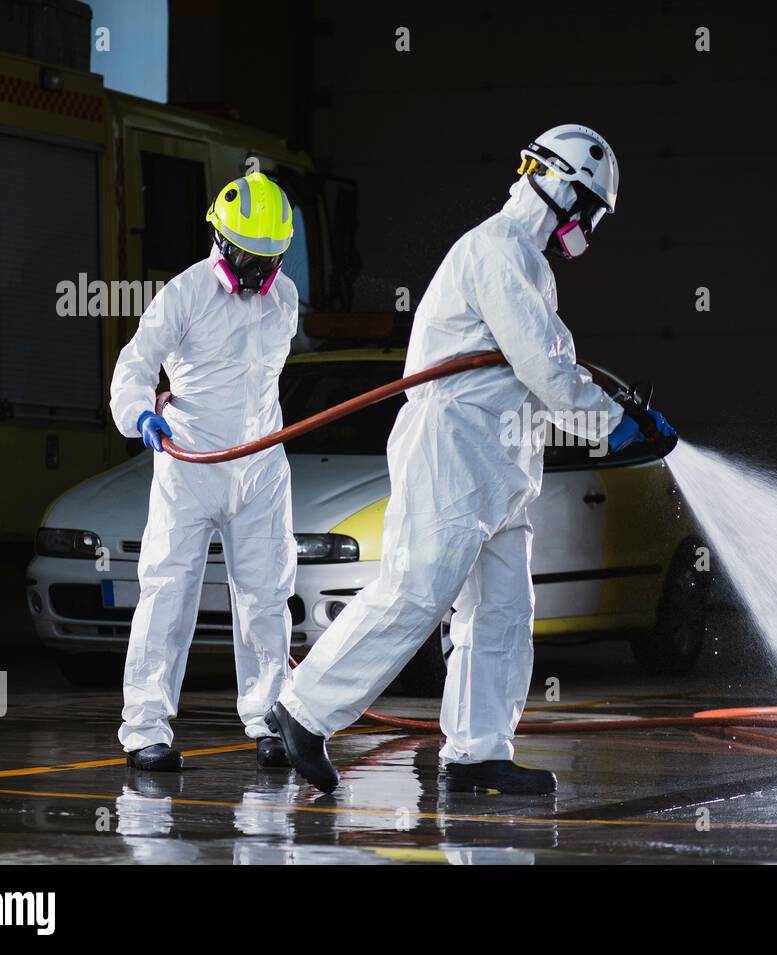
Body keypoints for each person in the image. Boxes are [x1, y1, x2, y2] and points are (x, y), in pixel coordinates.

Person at [269, 125, 674, 794]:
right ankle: (304, 709)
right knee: (415, 587)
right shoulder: (497, 250)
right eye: (591, 211)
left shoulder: (528, 262)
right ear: (563, 188)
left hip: (503, 468)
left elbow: (542, 368)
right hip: (452, 451)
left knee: (502, 612)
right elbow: (545, 366)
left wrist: (618, 411)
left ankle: (477, 751)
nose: (589, 228)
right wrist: (612, 423)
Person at [109, 171, 300, 771]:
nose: (256, 272)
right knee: (167, 595)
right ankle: (146, 730)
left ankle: (270, 719)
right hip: (188, 463)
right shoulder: (184, 294)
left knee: (267, 599)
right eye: (247, 256)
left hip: (262, 467)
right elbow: (132, 367)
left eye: (269, 258)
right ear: (219, 239)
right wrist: (143, 413)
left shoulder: (285, 296)